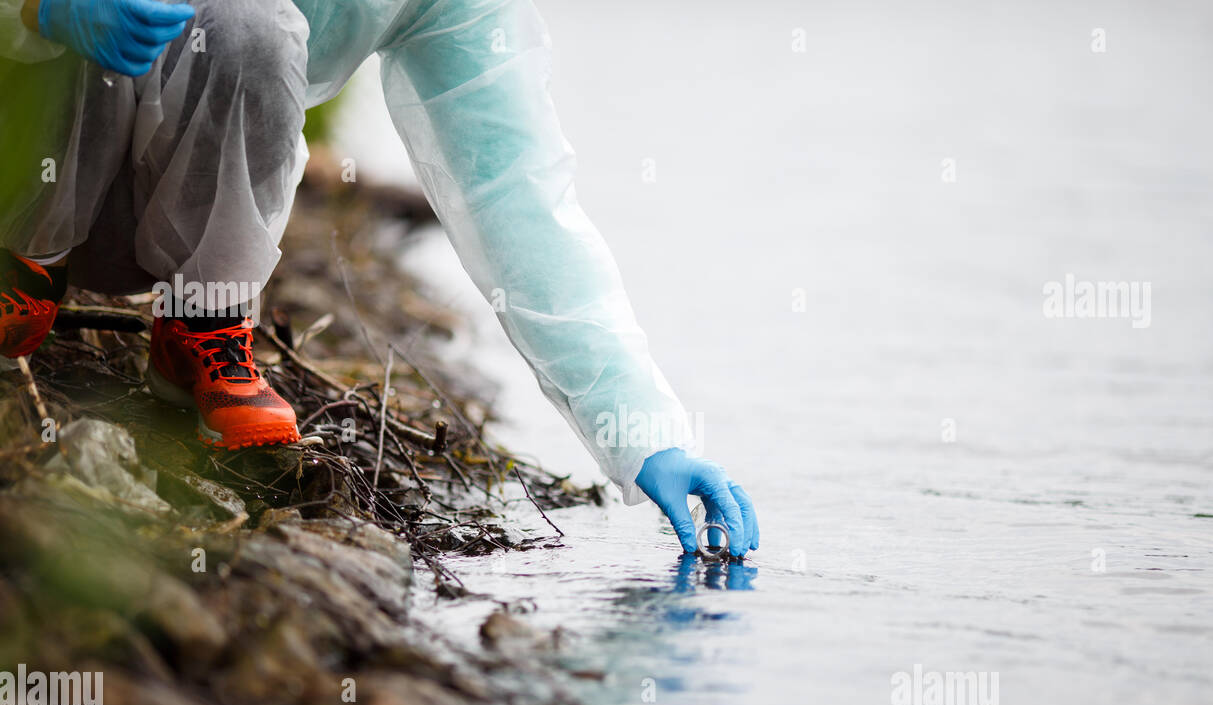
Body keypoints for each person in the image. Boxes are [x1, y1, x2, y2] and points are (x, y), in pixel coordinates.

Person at [0, 0, 759, 557]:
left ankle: (203, 323)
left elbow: (517, 196)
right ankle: (22, 267)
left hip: (149, 218)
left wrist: (645, 433)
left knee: (251, 24)